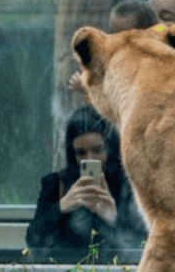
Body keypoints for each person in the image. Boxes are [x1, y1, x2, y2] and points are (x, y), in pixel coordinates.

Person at [26, 105, 146, 261]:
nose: (90, 159)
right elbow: (34, 241)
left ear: (110, 149)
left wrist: (113, 218)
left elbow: (141, 251)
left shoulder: (127, 187)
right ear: (72, 154)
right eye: (81, 153)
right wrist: (62, 207)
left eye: (97, 150)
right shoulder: (56, 184)